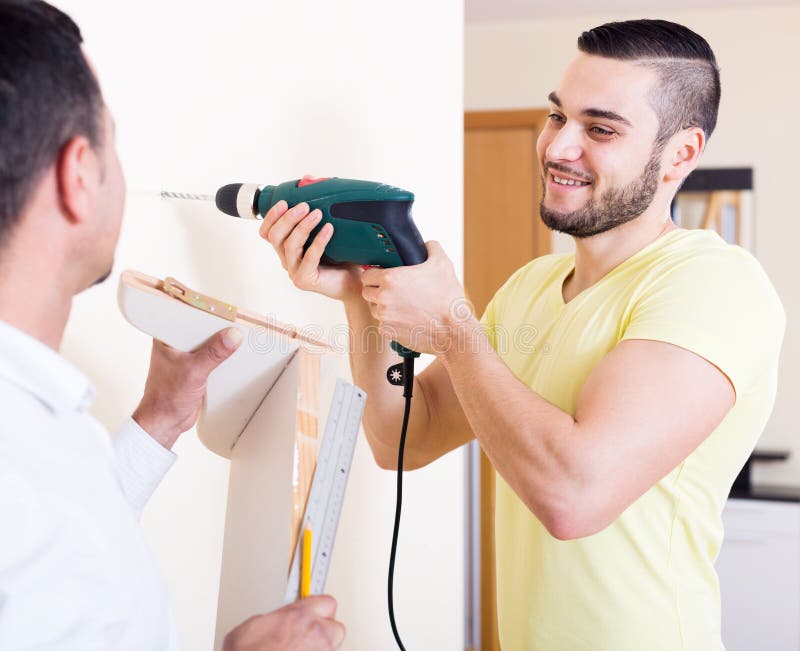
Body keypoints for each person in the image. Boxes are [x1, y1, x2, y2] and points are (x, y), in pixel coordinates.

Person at [261, 18, 785, 651]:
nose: (559, 147)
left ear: (681, 153)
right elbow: (406, 439)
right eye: (557, 116)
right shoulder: (531, 287)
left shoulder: (713, 285)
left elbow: (574, 498)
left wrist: (453, 329)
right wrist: (363, 291)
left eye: (599, 129)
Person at [0, 1, 345, 649]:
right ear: (79, 175)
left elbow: (70, 549)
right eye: (113, 142)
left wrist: (159, 420)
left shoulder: (33, 420)